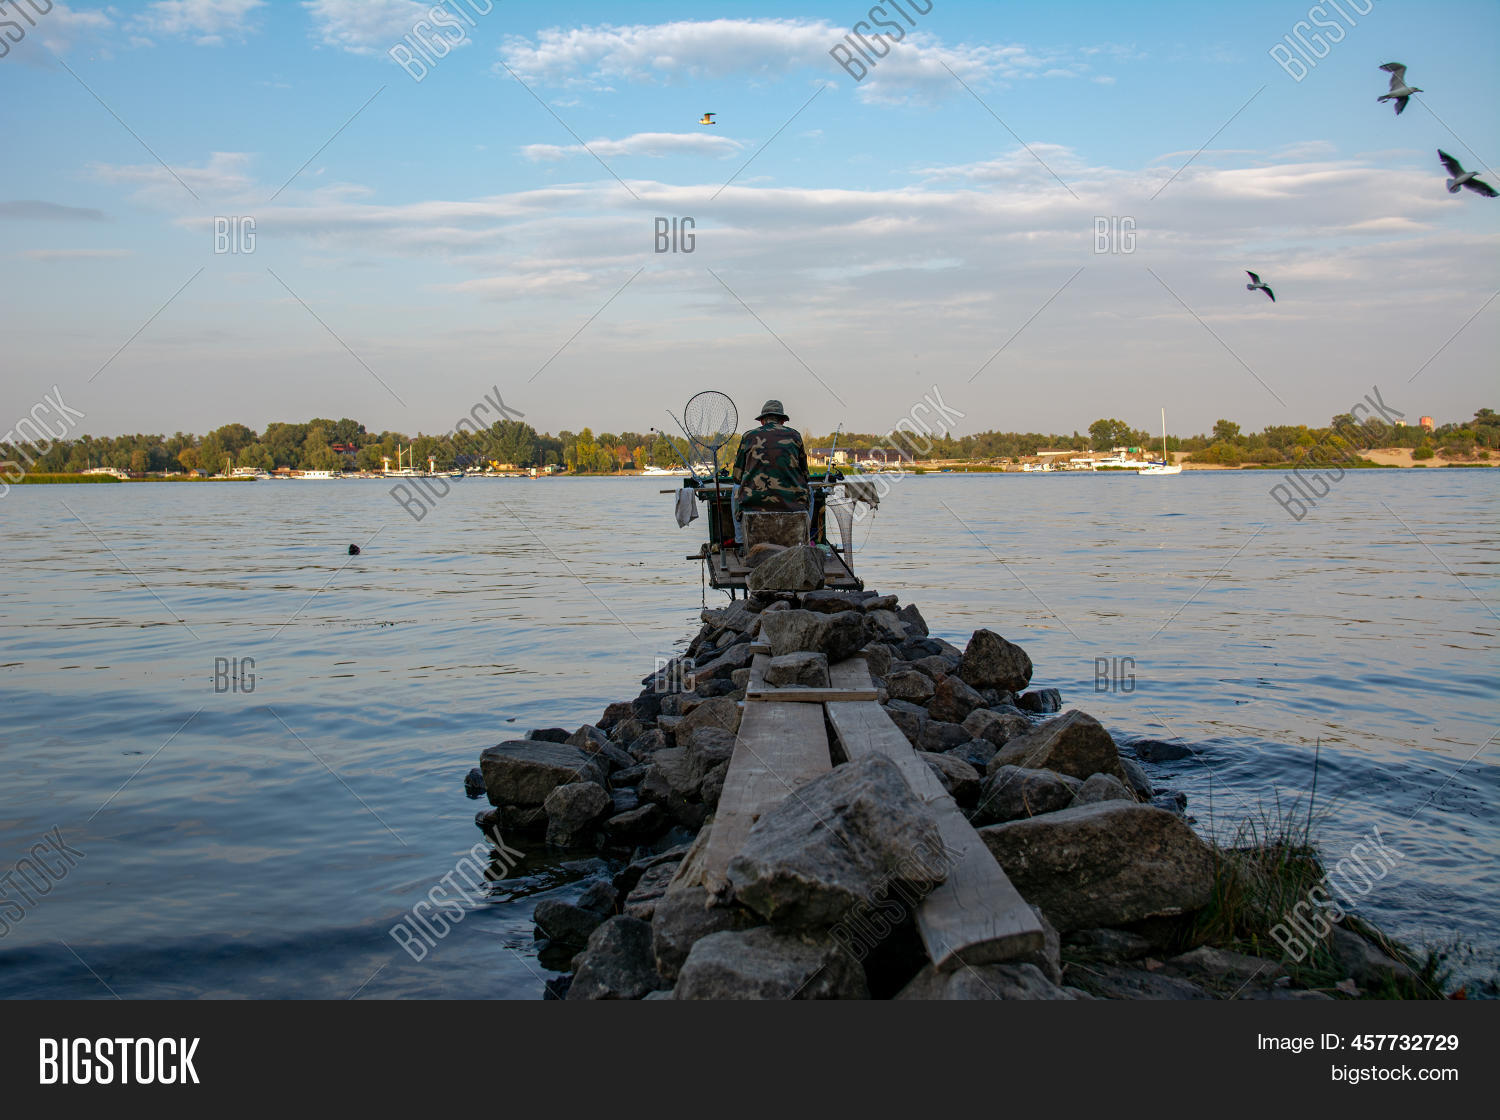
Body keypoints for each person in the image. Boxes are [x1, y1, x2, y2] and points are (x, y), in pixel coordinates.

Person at [731, 400, 809, 543]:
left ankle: (740, 541)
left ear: (762, 421)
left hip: (753, 503)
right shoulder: (795, 436)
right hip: (792, 504)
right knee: (810, 490)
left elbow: (737, 477)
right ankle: (806, 537)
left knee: (735, 489)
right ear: (782, 421)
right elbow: (805, 476)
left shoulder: (748, 436)